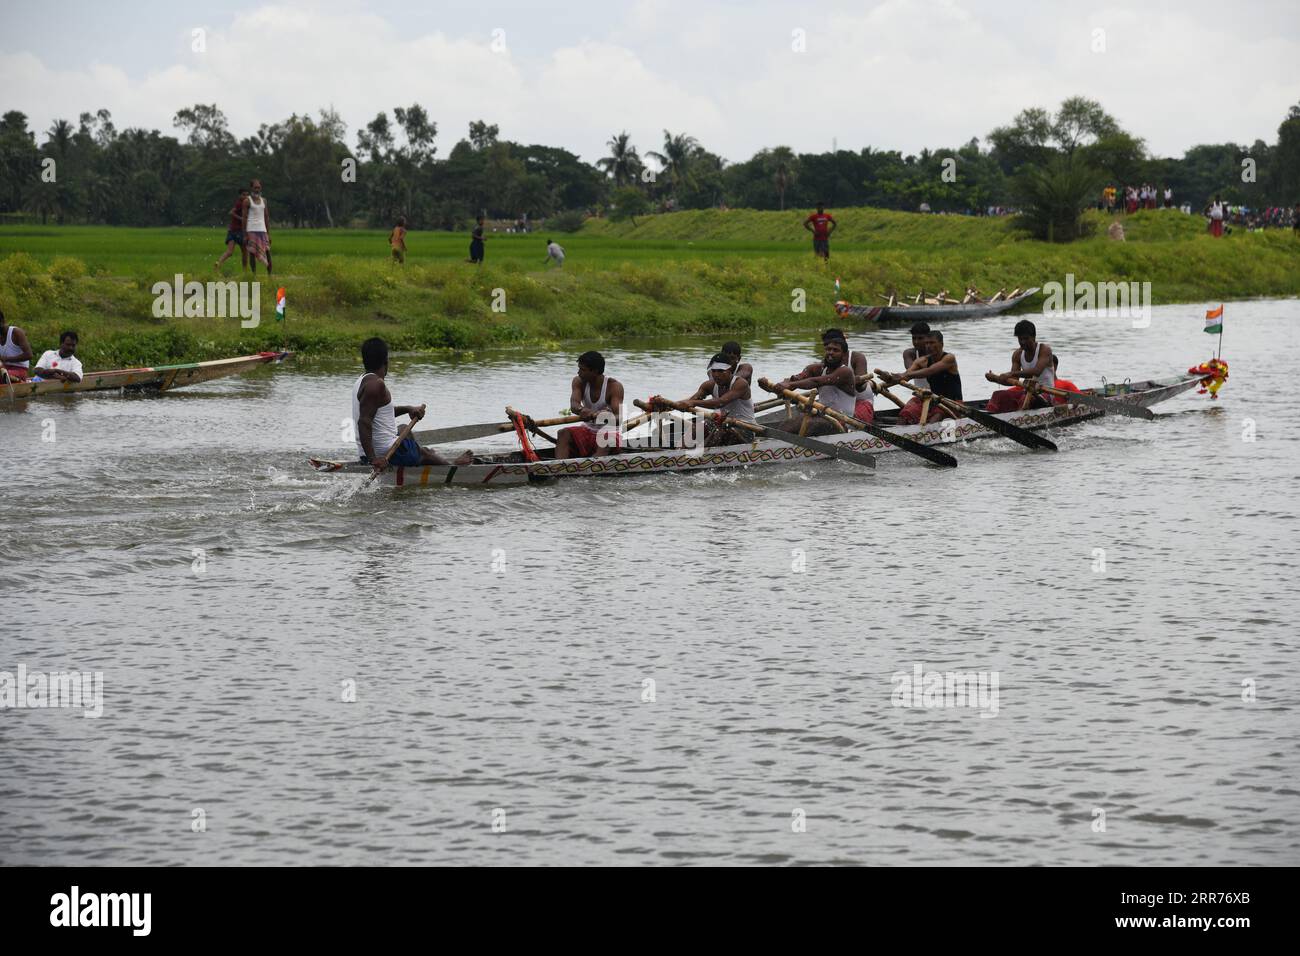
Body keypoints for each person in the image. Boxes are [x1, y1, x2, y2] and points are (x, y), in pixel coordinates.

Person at [352, 337, 472, 471]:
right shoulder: (376, 385)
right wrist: (373, 459)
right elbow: (364, 422)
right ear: (386, 361)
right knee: (425, 453)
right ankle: (452, 466)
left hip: (374, 450)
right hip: (385, 455)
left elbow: (380, 414)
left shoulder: (362, 380)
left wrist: (408, 409)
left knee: (404, 429)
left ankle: (423, 454)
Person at [771, 333, 857, 435]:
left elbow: (815, 381)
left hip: (842, 421)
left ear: (844, 354)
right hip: (821, 415)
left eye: (835, 350)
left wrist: (791, 385)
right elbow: (796, 379)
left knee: (811, 425)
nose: (830, 353)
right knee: (787, 425)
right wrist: (778, 386)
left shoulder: (845, 372)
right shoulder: (816, 368)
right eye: (828, 349)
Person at [671, 353, 757, 446]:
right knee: (697, 427)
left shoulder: (740, 384)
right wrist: (667, 405)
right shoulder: (708, 385)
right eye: (714, 371)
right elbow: (691, 401)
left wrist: (691, 402)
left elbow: (720, 403)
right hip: (723, 423)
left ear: (730, 370)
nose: (716, 375)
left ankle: (705, 454)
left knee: (722, 431)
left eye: (721, 371)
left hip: (746, 428)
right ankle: (679, 451)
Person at [879, 330, 961, 424]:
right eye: (926, 343)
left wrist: (903, 376)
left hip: (952, 402)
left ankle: (927, 434)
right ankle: (896, 433)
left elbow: (930, 370)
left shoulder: (949, 358)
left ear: (941, 344)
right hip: (931, 401)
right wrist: (889, 378)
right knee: (906, 413)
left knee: (937, 415)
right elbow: (905, 376)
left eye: (932, 343)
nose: (929, 346)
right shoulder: (922, 361)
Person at [554, 351, 625, 459]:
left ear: (595, 371)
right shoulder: (578, 381)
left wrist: (603, 417)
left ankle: (593, 467)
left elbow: (618, 418)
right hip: (588, 429)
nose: (578, 373)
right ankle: (557, 468)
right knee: (563, 433)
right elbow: (574, 404)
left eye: (582, 370)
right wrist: (581, 410)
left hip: (609, 433)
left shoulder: (614, 387)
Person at [984, 319, 1055, 413]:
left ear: (1033, 337)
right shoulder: (1017, 354)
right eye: (1020, 339)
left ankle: (1017, 420)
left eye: (1026, 338)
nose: (1023, 342)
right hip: (1027, 393)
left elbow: (1036, 371)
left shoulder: (1044, 350)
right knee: (998, 395)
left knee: (1025, 399)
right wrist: (996, 379)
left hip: (1046, 394)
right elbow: (1014, 380)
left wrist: (1010, 373)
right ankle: (988, 419)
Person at [824, 327, 874, 423]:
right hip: (839, 404)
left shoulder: (857, 357)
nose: (830, 352)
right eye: (828, 347)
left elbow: (861, 383)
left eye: (835, 348)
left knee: (840, 421)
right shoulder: (828, 360)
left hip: (860, 402)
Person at [241, 179, 273, 274]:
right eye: (255, 187)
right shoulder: (247, 201)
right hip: (251, 230)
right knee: (252, 253)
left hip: (262, 230)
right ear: (251, 188)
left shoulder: (264, 201)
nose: (257, 189)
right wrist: (245, 234)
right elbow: (244, 218)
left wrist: (268, 233)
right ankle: (254, 275)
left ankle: (270, 275)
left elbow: (266, 217)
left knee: (267, 252)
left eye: (259, 187)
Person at [215, 188, 249, 271]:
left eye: (247, 195)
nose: (245, 196)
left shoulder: (240, 203)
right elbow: (231, 212)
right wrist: (242, 219)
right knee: (245, 252)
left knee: (229, 252)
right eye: (243, 195)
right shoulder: (240, 204)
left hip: (232, 231)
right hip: (239, 231)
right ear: (239, 195)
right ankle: (245, 271)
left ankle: (218, 263)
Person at [1, 308, 33, 382]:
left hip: (20, 370)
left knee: (3, 375)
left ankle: (20, 381)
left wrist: (6, 359)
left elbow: (29, 355)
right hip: (4, 369)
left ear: (2, 321)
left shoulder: (16, 332)